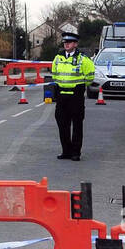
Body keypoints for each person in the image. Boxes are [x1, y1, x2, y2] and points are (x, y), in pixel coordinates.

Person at [50, 30, 95, 161]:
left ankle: (76, 152)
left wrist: (79, 86)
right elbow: (54, 75)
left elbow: (90, 76)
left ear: (75, 44)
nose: (66, 44)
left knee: (77, 125)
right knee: (62, 124)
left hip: (76, 96)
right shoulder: (58, 58)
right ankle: (66, 151)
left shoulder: (83, 59)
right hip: (61, 95)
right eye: (65, 42)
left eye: (69, 42)